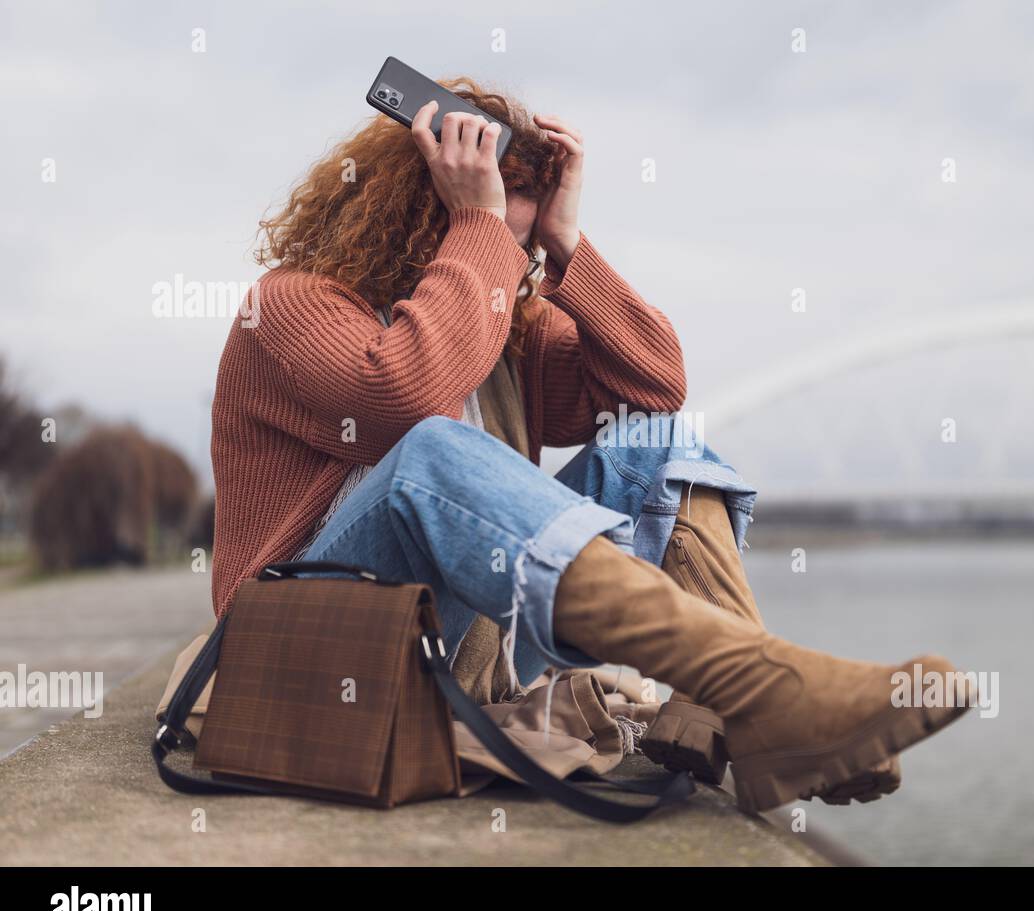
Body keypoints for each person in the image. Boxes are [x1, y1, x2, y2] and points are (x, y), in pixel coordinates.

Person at [210, 78, 970, 813]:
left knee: (657, 443)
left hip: (467, 662)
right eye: (493, 242)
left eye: (520, 255)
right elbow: (401, 397)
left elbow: (655, 386)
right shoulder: (290, 305)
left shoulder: (506, 336)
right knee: (432, 450)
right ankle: (770, 688)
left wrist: (567, 245)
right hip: (309, 656)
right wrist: (482, 233)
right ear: (420, 213)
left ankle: (730, 710)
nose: (510, 272)